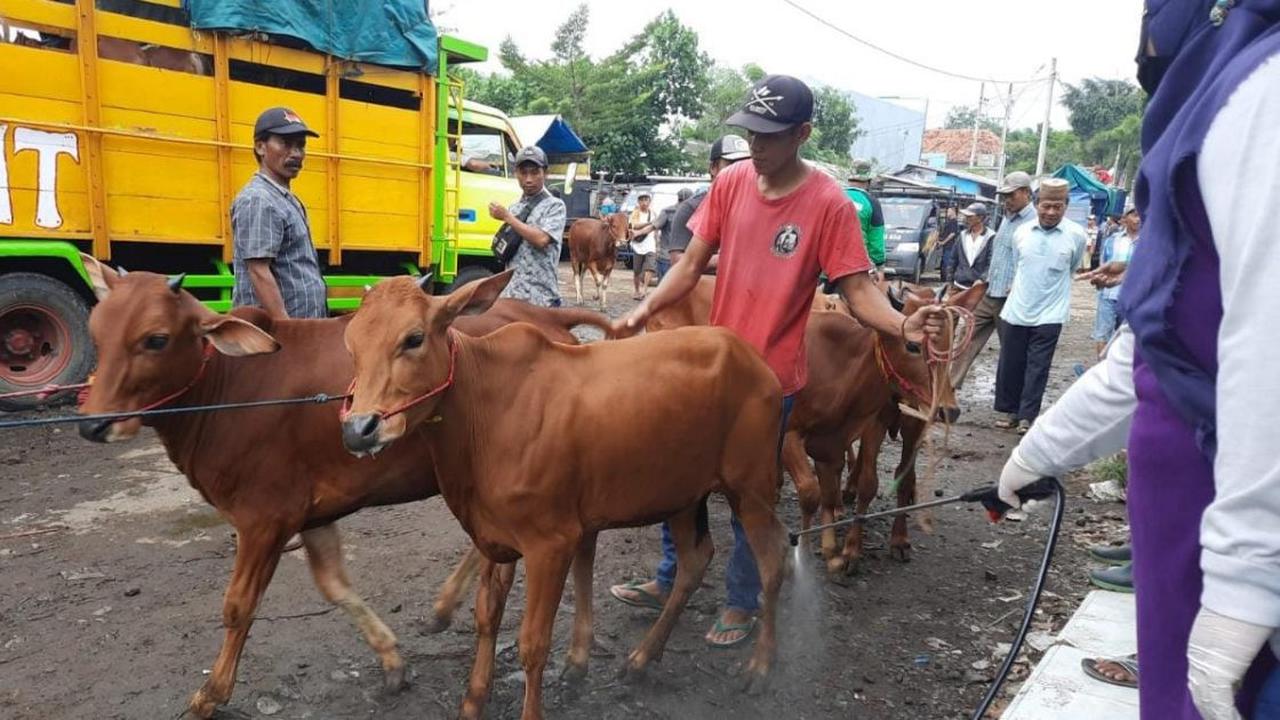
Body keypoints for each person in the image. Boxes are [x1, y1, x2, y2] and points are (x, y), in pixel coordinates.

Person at [605, 74, 945, 648]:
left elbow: (858, 290)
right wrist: (644, 308)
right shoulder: (733, 182)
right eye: (749, 133)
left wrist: (900, 324)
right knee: (677, 476)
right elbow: (690, 263)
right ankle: (669, 577)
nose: (754, 146)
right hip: (711, 372)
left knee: (751, 494)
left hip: (769, 383)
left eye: (768, 136)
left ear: (802, 134)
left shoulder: (829, 204)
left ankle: (742, 601)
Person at [1009, 3, 1280, 717]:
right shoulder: (1213, 107)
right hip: (1190, 546)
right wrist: (1033, 458)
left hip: (1233, 553)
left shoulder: (1264, 91)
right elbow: (1150, 353)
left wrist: (1248, 577)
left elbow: (1271, 346)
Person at [993, 178, 1087, 434]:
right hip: (1018, 308)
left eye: (1058, 206)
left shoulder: (1076, 235)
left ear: (1066, 206)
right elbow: (1018, 264)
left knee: (1038, 366)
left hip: (1051, 312)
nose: (1051, 212)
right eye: (1046, 206)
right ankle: (1011, 412)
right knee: (1012, 363)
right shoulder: (1022, 232)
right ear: (1037, 204)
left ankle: (1027, 417)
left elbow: (1072, 267)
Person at [232, 107, 327, 322]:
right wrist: (286, 329)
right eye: (285, 143)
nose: (296, 153)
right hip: (277, 335)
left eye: (300, 145)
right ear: (260, 147)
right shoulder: (258, 199)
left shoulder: (283, 199)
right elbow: (258, 271)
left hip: (300, 329)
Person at [950, 170, 1038, 388]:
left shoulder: (1034, 222)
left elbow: (1033, 260)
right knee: (966, 337)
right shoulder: (1007, 219)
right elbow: (998, 256)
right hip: (989, 292)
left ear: (1026, 193)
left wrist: (1018, 284)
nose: (1007, 200)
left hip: (1012, 299)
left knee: (1012, 351)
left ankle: (1012, 400)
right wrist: (984, 279)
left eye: (1011, 195)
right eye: (1004, 196)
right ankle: (948, 389)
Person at [487, 146, 566, 308]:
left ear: (545, 173)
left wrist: (507, 217)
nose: (529, 179)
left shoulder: (555, 206)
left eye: (535, 173)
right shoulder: (514, 207)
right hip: (511, 298)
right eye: (523, 173)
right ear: (516, 174)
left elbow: (542, 239)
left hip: (542, 300)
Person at [666, 134, 752, 273]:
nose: (740, 169)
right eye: (732, 164)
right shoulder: (691, 208)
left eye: (746, 164)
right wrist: (726, 258)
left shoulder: (755, 207)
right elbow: (678, 261)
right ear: (713, 167)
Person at [1091, 205, 1139, 357]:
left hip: (1134, 298)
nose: (1138, 219)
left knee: (1126, 337)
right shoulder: (1113, 240)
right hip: (1109, 295)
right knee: (1102, 334)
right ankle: (1102, 365)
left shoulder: (1149, 242)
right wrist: (1101, 283)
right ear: (1124, 219)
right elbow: (1104, 263)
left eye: (1141, 215)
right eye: (1134, 215)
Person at [845, 159, 885, 274]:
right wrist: (879, 264)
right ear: (869, 181)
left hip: (827, 268)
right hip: (856, 269)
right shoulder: (872, 203)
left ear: (848, 178)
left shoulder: (832, 197)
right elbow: (876, 241)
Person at [952, 202, 995, 287]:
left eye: (970, 216)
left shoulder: (990, 237)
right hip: (959, 284)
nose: (966, 219)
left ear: (980, 218)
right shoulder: (962, 236)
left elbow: (991, 263)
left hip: (978, 287)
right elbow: (953, 259)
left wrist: (982, 279)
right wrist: (949, 280)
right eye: (966, 216)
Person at [655, 188, 691, 279]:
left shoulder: (693, 213)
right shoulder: (668, 212)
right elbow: (655, 226)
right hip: (668, 257)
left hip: (682, 258)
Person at [629, 192, 658, 299]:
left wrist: (656, 242)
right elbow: (635, 225)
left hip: (650, 244)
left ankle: (644, 290)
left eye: (646, 200)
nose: (644, 202)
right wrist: (649, 223)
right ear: (638, 202)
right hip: (638, 246)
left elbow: (656, 228)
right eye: (642, 200)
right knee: (637, 270)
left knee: (650, 268)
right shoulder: (635, 213)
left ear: (649, 201)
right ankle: (637, 290)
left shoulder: (653, 213)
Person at [938, 206, 962, 283]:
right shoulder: (949, 221)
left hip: (950, 246)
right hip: (946, 247)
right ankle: (944, 279)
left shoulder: (954, 222)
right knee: (944, 263)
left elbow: (952, 234)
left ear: (953, 212)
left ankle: (948, 280)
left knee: (947, 263)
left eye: (949, 211)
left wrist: (943, 242)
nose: (947, 213)